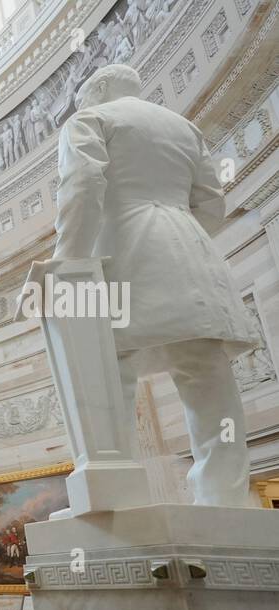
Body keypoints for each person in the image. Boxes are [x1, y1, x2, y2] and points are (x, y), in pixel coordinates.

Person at [53, 63, 257, 507]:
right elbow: (211, 202)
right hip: (191, 254)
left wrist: (67, 262)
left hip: (123, 252)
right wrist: (177, 229)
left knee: (111, 373)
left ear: (102, 88)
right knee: (207, 374)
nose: (80, 102)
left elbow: (81, 187)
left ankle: (117, 501)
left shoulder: (91, 120)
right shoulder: (183, 128)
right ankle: (225, 501)